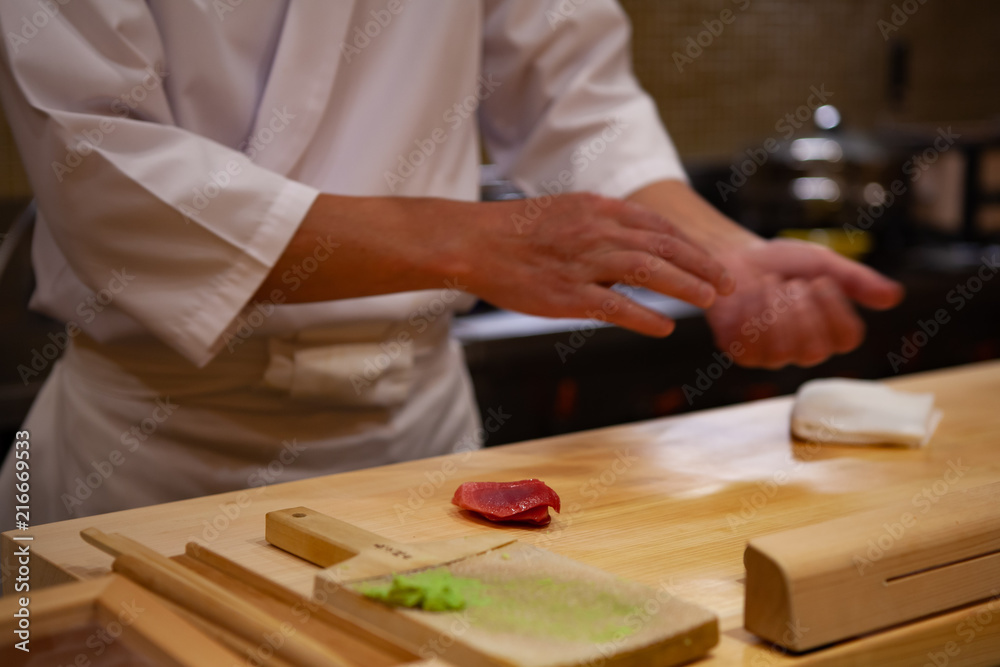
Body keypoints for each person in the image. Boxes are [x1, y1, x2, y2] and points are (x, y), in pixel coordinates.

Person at [0, 1, 901, 528]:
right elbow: (97, 170)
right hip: (143, 462)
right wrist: (470, 241)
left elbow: (577, 100)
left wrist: (726, 259)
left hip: (419, 448)